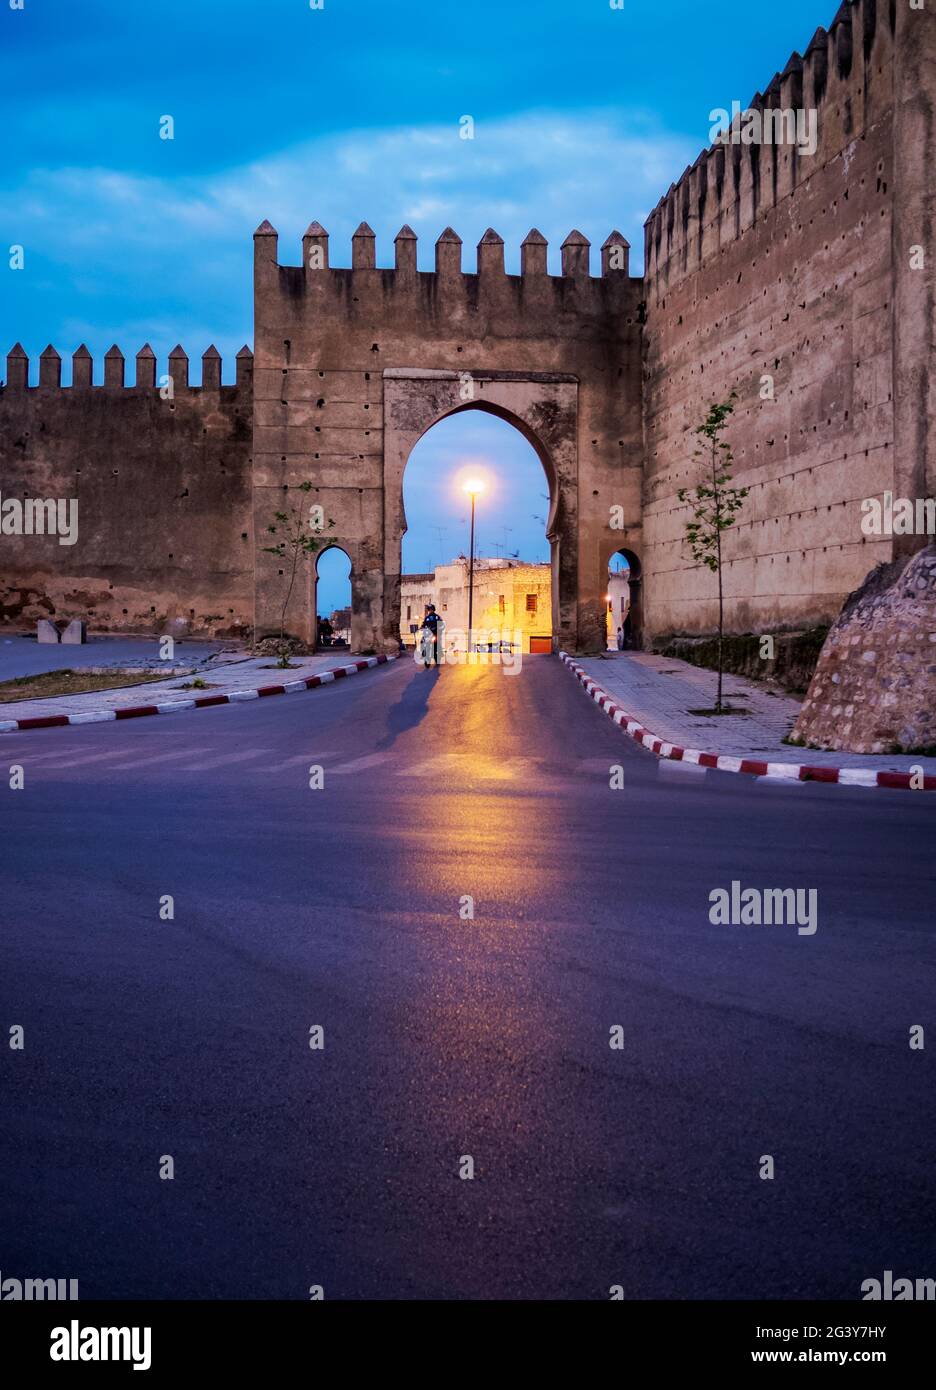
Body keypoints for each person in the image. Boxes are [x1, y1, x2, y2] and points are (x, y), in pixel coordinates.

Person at [419, 604, 444, 668]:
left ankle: (437, 655)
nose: (430, 611)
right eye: (429, 609)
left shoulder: (437, 617)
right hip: (428, 634)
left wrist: (440, 628)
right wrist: (421, 627)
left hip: (435, 634)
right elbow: (423, 624)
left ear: (433, 609)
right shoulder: (427, 618)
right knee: (422, 641)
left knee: (436, 645)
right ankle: (423, 652)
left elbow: (442, 624)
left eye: (431, 609)